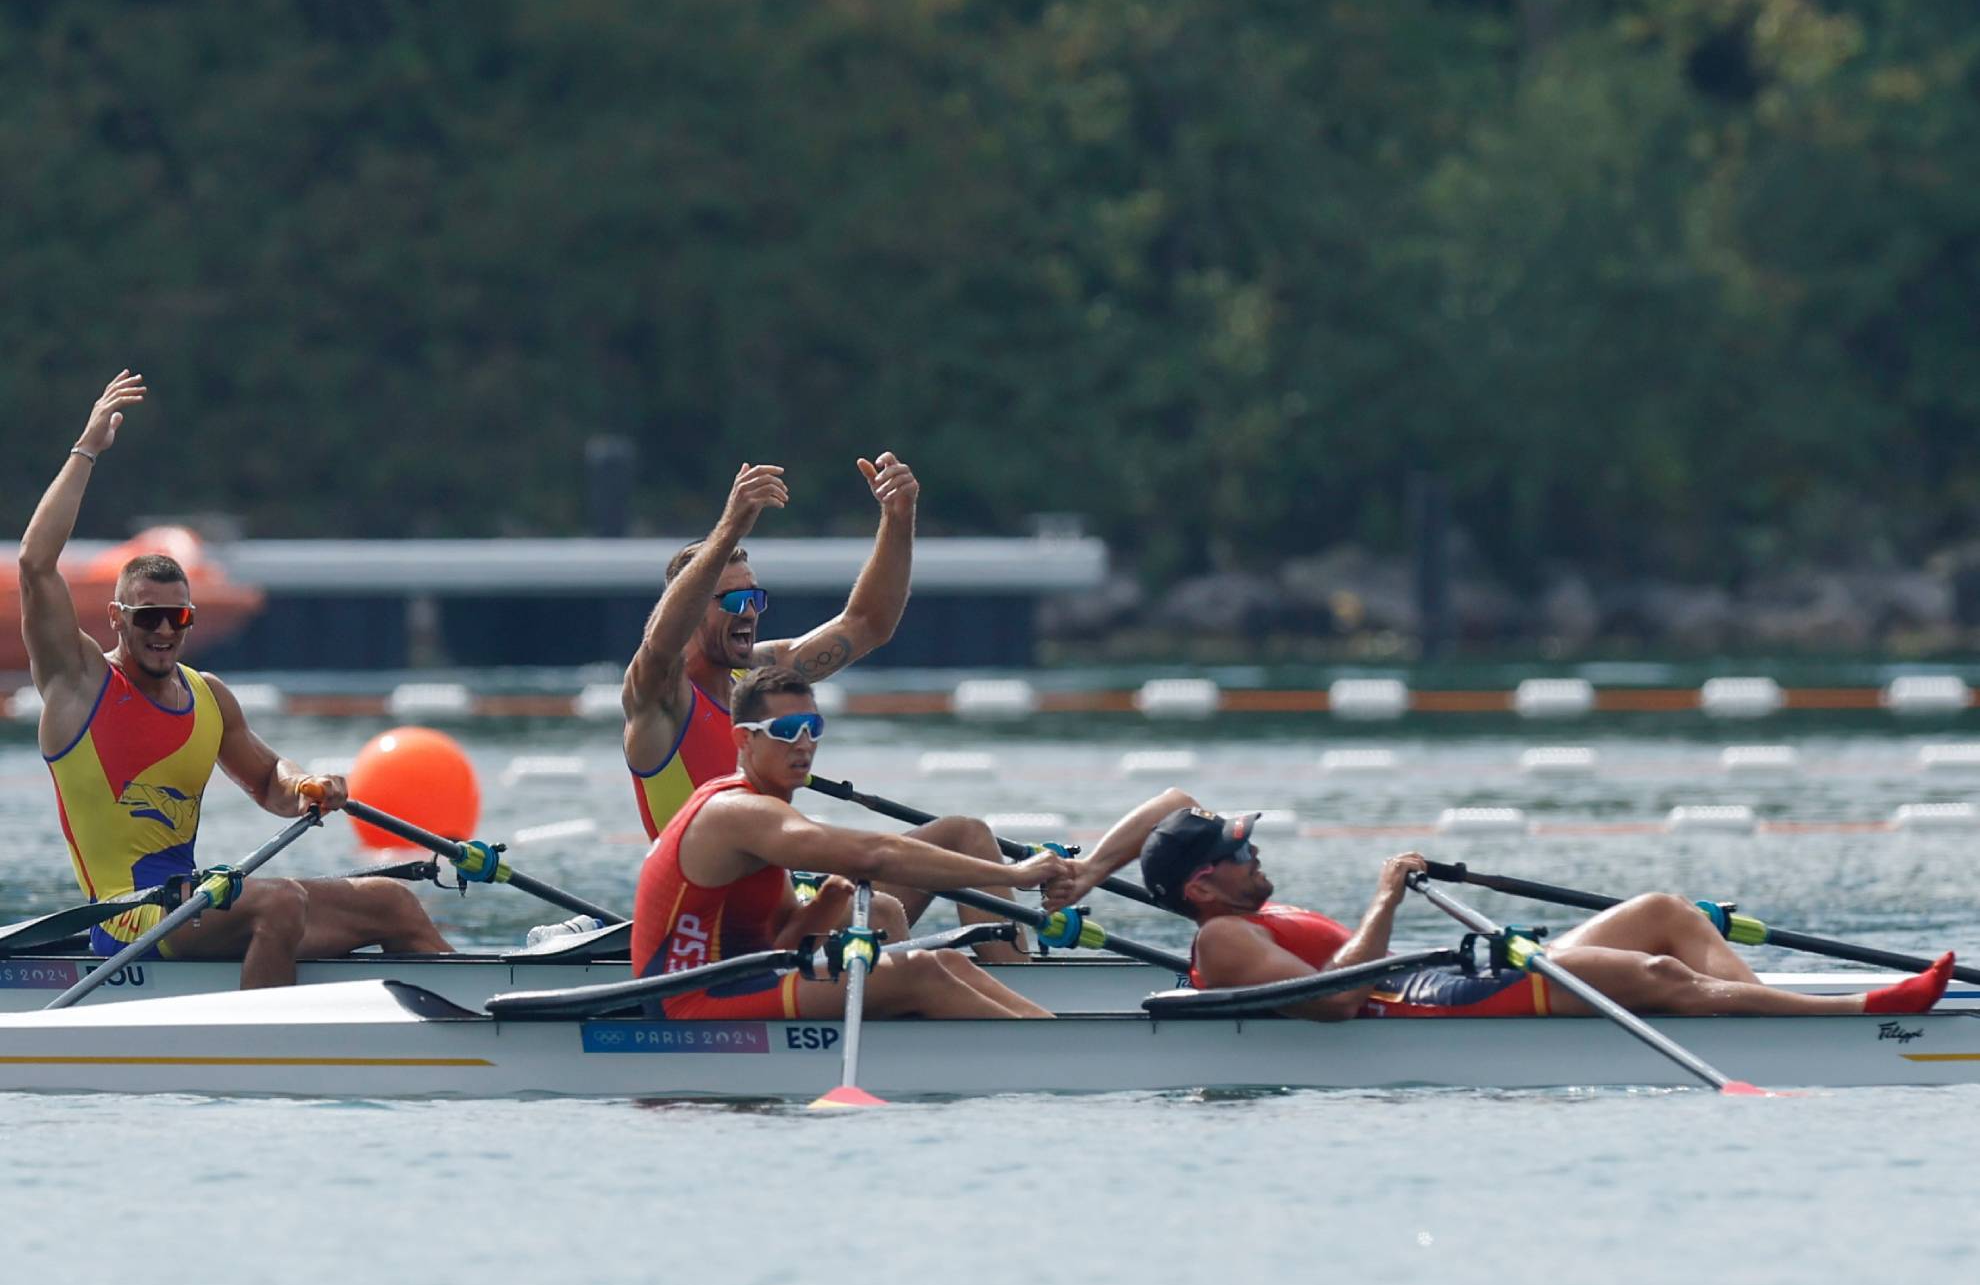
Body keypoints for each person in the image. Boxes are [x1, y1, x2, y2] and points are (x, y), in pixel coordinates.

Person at [20, 371, 454, 988]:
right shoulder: (79, 683)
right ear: (117, 618)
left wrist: (305, 784)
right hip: (125, 922)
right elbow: (36, 565)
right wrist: (87, 449)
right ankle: (263, 1058)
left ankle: (466, 1031)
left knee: (393, 902)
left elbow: (268, 782)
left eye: (180, 616)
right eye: (149, 617)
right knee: (277, 901)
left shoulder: (207, 697)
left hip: (195, 904)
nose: (165, 630)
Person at [1044, 790, 1956, 1021]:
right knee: (1657, 971)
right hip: (1422, 1005)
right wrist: (1384, 900)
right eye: (1242, 851)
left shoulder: (1220, 901)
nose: (1257, 854)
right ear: (1205, 886)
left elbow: (1170, 807)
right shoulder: (1227, 946)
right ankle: (1865, 1012)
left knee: (1667, 909)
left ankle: (1773, 1019)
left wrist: (1086, 872)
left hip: (1443, 975)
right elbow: (1336, 1000)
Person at [620, 455, 1029, 961]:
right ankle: (923, 1009)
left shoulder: (759, 675)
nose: (747, 612)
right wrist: (729, 527)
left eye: (754, 598)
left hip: (785, 906)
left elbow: (866, 624)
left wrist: (898, 519)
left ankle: (1015, 1006)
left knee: (966, 835)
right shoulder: (659, 699)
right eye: (729, 602)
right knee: (878, 913)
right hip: (715, 929)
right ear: (689, 605)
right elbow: (659, 647)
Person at [631, 667, 1068, 1020]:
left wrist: (824, 904)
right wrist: (1012, 874)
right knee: (917, 972)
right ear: (743, 739)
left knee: (948, 963)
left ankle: (1058, 1042)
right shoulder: (740, 812)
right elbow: (875, 855)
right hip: (687, 1002)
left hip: (740, 982)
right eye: (785, 729)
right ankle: (1069, 1059)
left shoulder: (757, 807)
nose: (804, 744)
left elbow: (782, 944)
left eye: (812, 727)